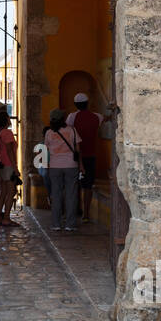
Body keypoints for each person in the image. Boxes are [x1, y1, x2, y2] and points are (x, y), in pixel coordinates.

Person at [69, 92, 105, 223]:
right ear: (87, 103)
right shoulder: (97, 117)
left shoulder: (72, 117)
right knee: (88, 185)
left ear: (75, 104)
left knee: (74, 184)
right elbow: (106, 118)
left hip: (75, 155)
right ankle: (86, 214)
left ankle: (74, 209)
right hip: (91, 155)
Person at [43, 109, 80, 230]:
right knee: (71, 195)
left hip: (54, 166)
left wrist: (46, 166)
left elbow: (46, 151)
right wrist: (82, 166)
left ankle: (56, 224)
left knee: (56, 194)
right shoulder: (72, 130)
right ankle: (70, 224)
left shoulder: (48, 133)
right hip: (71, 165)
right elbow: (78, 150)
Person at [0, 110, 19, 227]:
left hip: (0, 164)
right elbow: (9, 151)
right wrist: (15, 167)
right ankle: (7, 218)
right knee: (11, 191)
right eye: (8, 118)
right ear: (5, 120)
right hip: (8, 165)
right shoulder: (7, 133)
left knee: (2, 192)